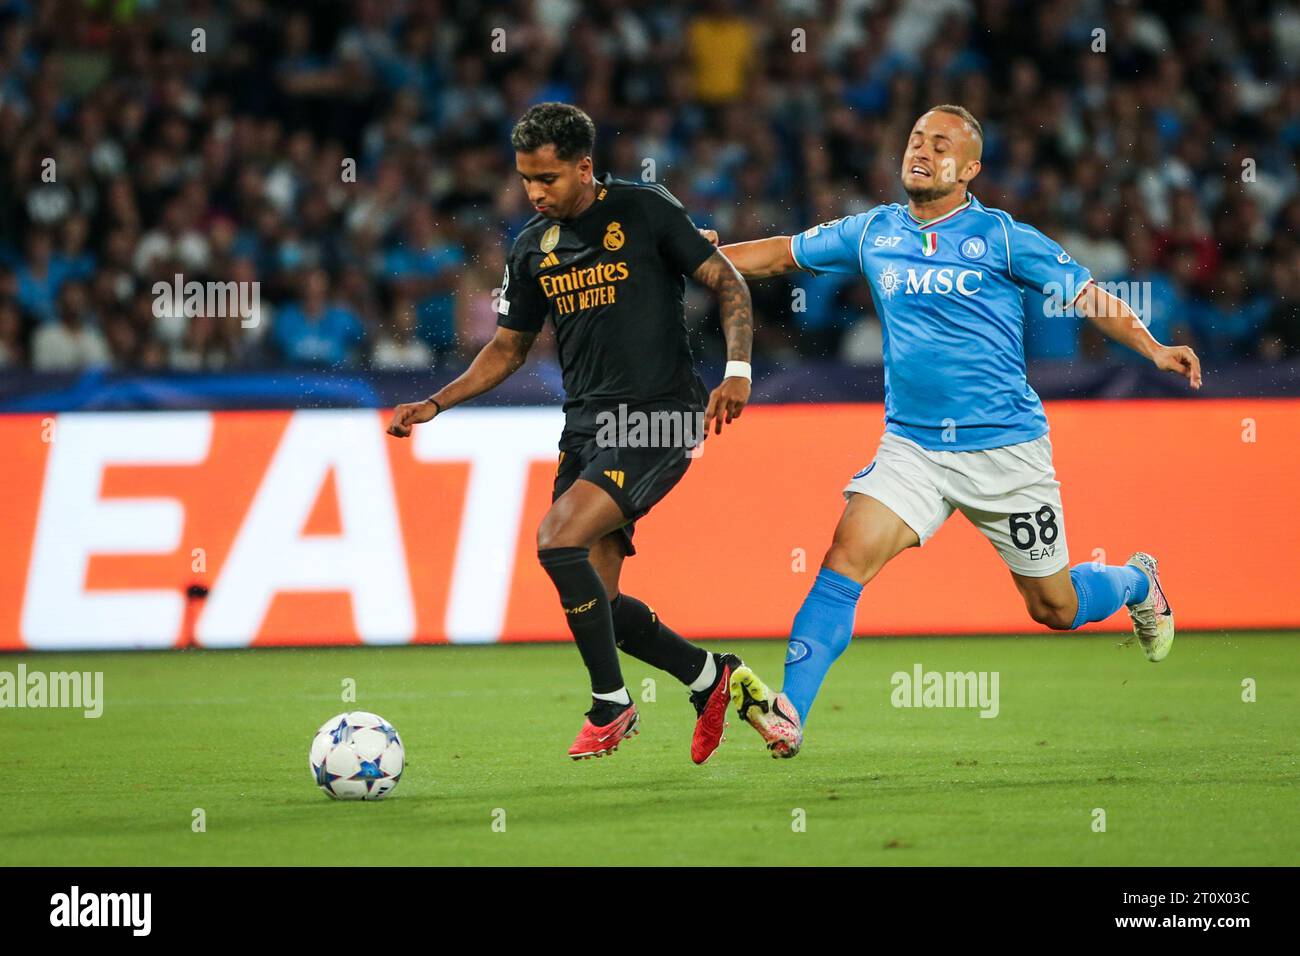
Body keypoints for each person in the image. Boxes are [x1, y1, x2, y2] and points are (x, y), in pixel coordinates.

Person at [712, 105, 1202, 758]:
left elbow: (1089, 296)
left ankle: (1138, 582)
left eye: (941, 144)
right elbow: (779, 254)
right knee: (843, 558)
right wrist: (698, 256)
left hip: (1007, 451)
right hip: (913, 448)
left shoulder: (1002, 238)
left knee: (1053, 608)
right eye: (915, 138)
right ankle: (790, 712)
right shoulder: (873, 232)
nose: (922, 150)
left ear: (970, 169)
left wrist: (1154, 348)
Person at [388, 103, 756, 762]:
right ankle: (709, 678)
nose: (534, 192)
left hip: (659, 416)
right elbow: (506, 349)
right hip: (586, 426)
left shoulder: (645, 212)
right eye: (527, 178)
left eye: (548, 179)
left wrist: (736, 370)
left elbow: (725, 280)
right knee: (602, 600)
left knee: (556, 540)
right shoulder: (532, 247)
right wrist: (436, 402)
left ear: (584, 168)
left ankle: (610, 706)